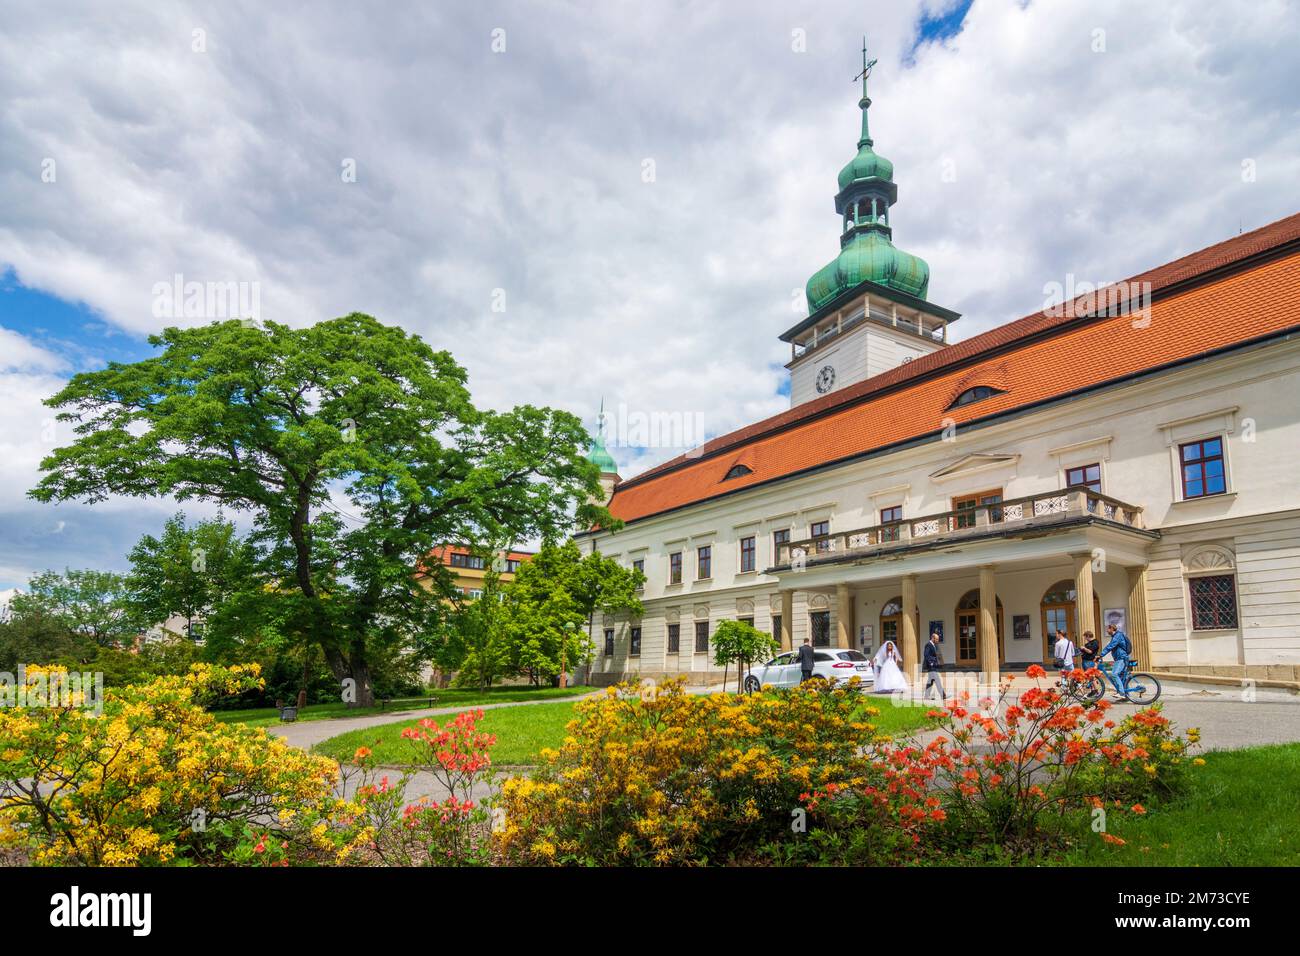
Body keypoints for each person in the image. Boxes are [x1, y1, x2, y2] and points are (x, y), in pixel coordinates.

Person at [1099, 622, 1132, 700]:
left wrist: (1101, 655)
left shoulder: (1117, 636)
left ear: (1112, 629)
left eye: (1108, 629)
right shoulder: (1116, 636)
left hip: (1121, 658)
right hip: (1121, 658)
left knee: (1114, 674)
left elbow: (1110, 646)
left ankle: (1121, 693)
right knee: (1121, 677)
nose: (1107, 631)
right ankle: (1126, 696)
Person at [922, 631, 945, 701]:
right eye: (937, 639)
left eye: (938, 639)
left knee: (931, 681)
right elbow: (926, 655)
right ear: (932, 638)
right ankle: (943, 695)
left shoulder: (934, 645)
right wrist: (931, 663)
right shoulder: (928, 644)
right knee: (937, 680)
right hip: (931, 666)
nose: (938, 641)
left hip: (933, 666)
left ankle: (926, 695)